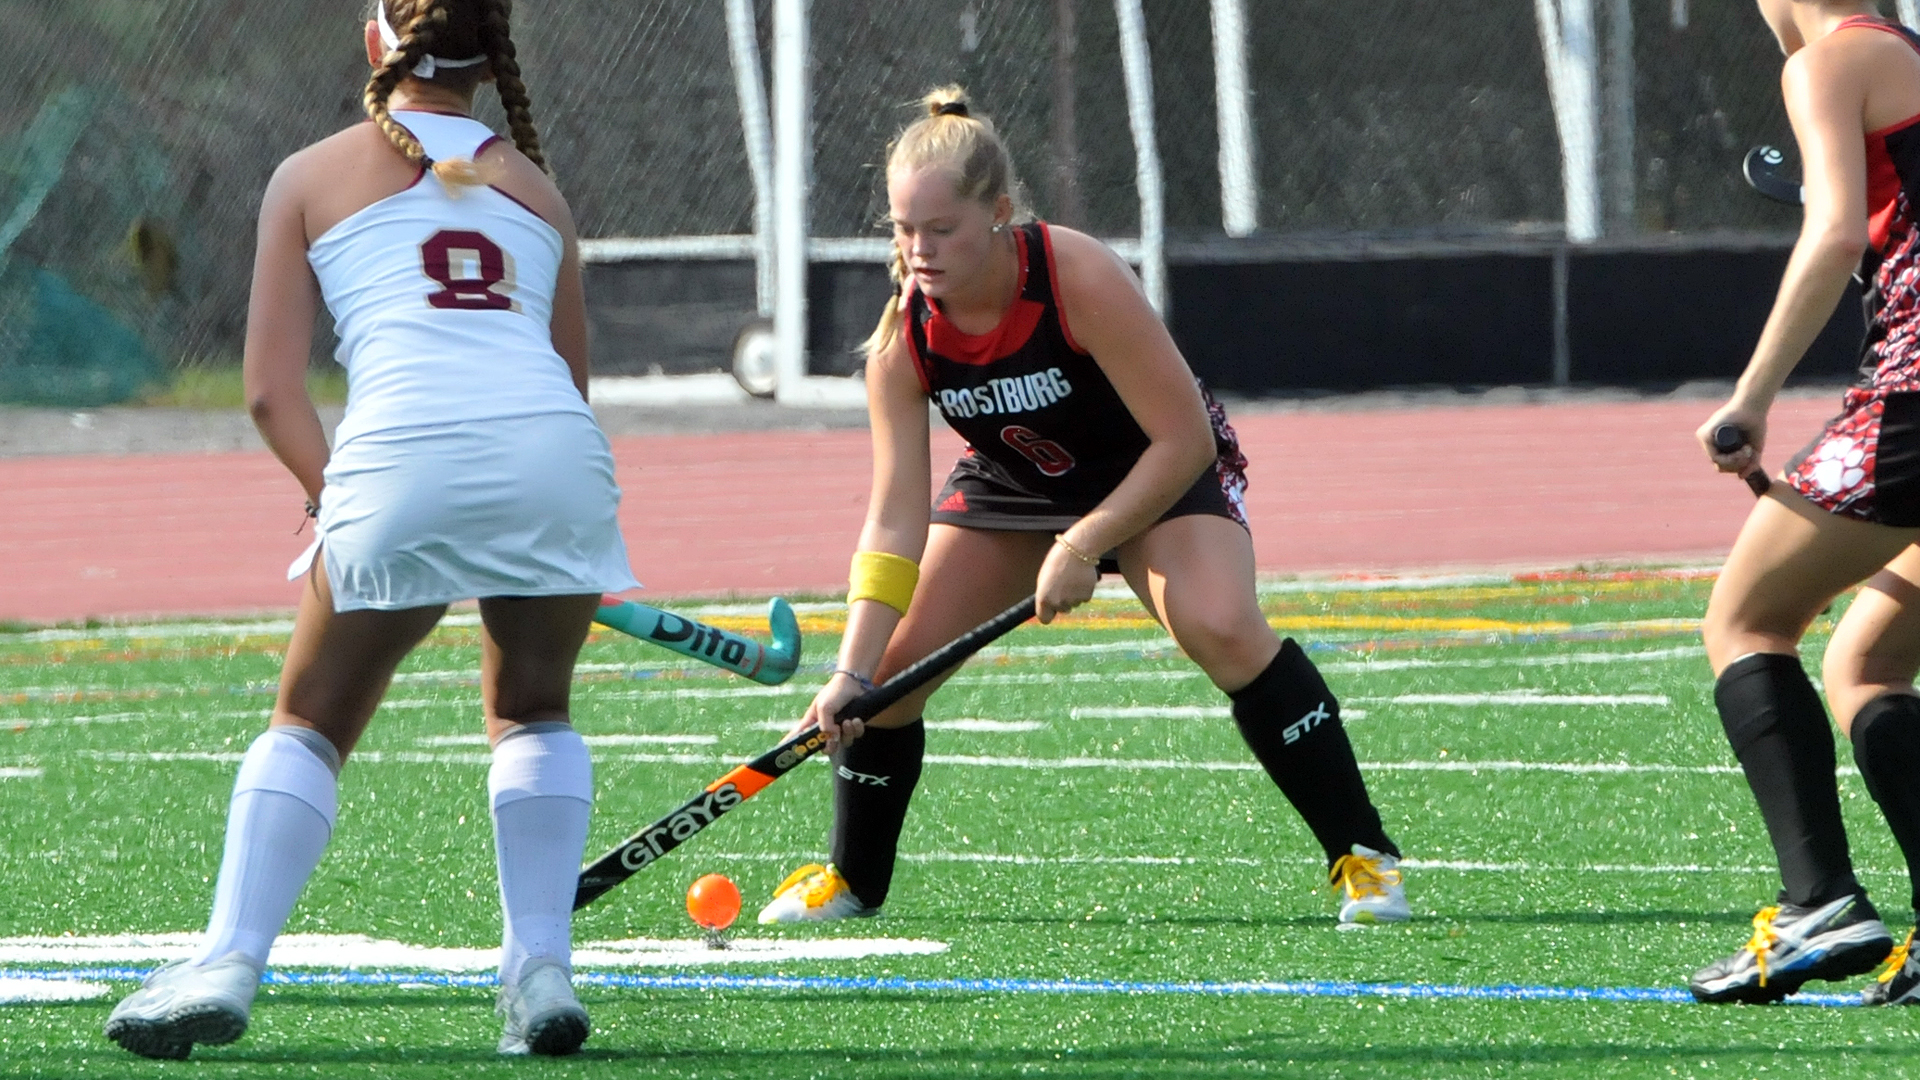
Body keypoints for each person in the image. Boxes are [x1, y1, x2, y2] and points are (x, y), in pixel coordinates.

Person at [104, 0, 634, 1057]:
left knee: (309, 717)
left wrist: (328, 487)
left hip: (400, 461)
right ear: (493, 58)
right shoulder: (539, 190)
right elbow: (569, 387)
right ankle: (539, 973)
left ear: (376, 43)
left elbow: (269, 392)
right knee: (533, 710)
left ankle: (228, 960)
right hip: (560, 464)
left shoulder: (310, 173)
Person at [756, 87, 1409, 931]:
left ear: (996, 213)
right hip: (1015, 486)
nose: (919, 251)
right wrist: (850, 671)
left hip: (1152, 470)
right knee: (886, 687)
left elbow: (1183, 440)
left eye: (941, 230)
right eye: (903, 231)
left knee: (1220, 625)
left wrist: (1087, 541)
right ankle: (852, 880)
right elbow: (892, 520)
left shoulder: (1075, 275)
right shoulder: (904, 341)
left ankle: (1362, 854)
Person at [1688, 0, 1920, 1005]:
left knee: (1745, 620)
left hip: (1913, 399)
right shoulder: (1908, 55)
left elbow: (1831, 235)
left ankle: (1819, 901)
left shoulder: (1834, 61)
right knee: (1867, 661)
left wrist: (1750, 399)